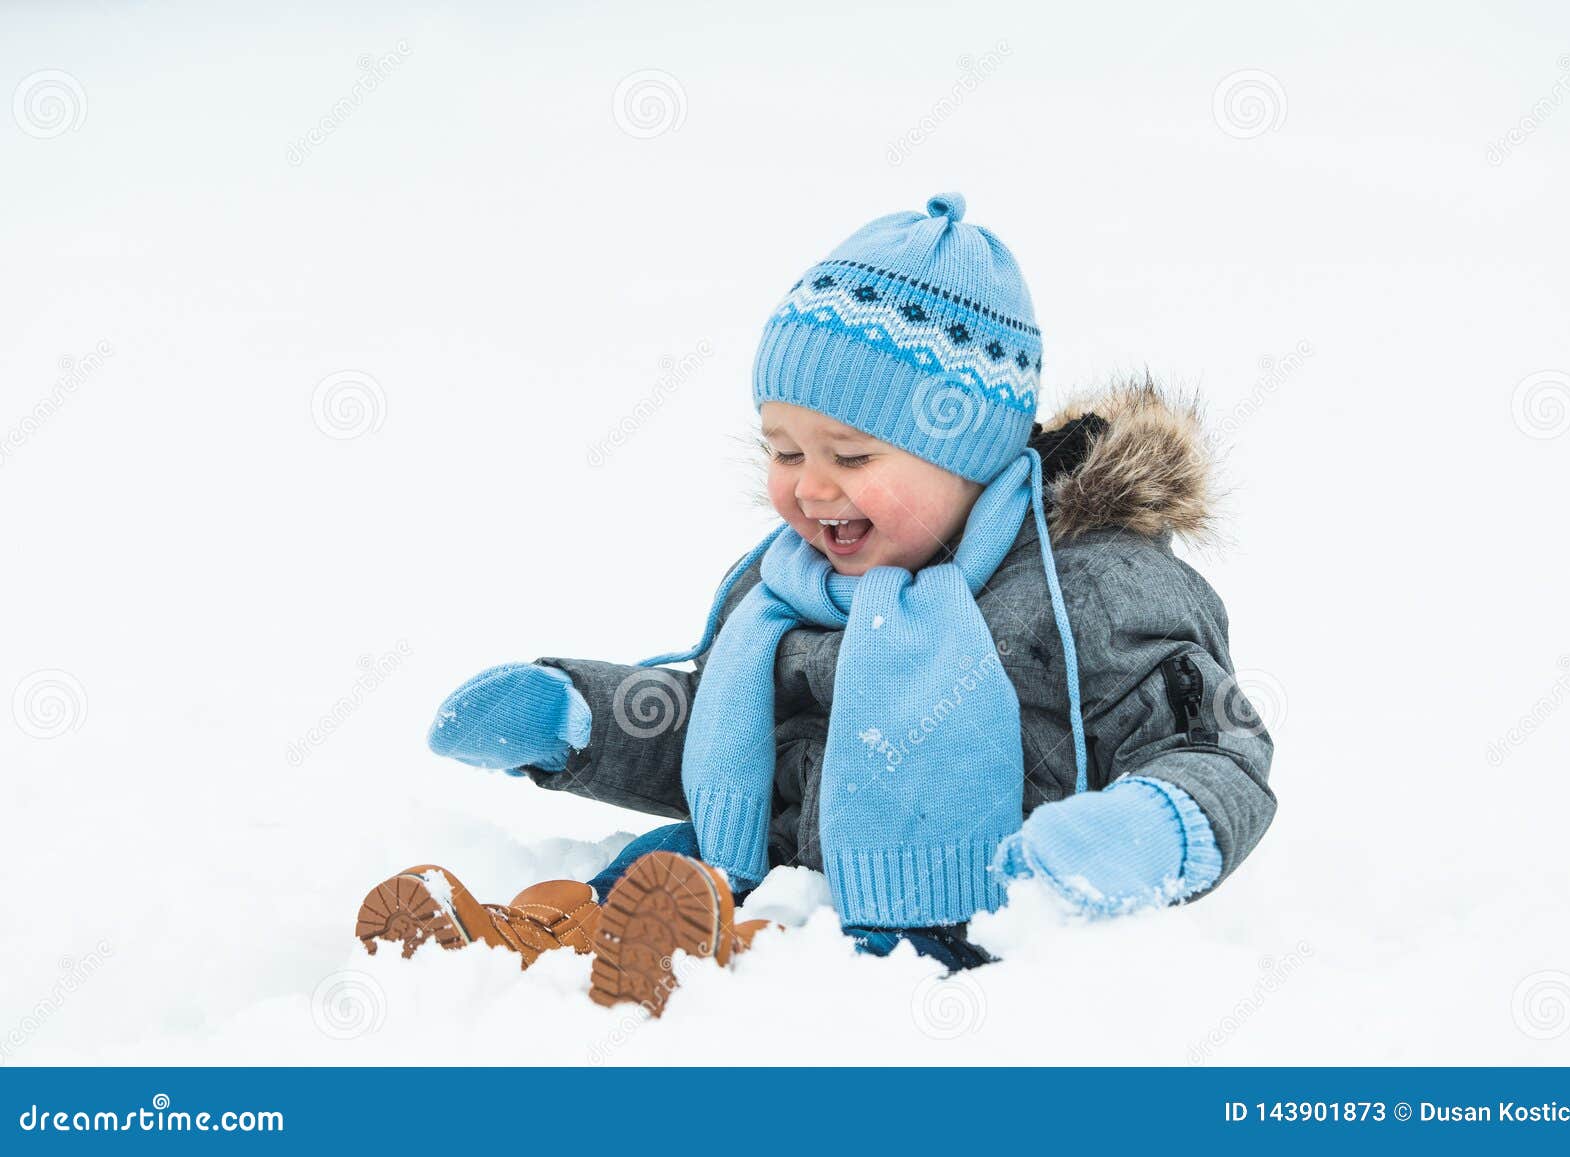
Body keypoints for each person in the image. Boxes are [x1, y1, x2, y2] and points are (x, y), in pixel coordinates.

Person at [355, 192, 1276, 1016]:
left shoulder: (1092, 592)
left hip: (952, 938)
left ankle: (678, 964)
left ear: (974, 451)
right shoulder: (785, 588)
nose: (810, 489)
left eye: (852, 456)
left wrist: (1152, 827)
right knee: (643, 888)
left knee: (762, 957)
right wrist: (582, 717)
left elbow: (1219, 745)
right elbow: (723, 731)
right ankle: (507, 948)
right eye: (785, 452)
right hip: (758, 874)